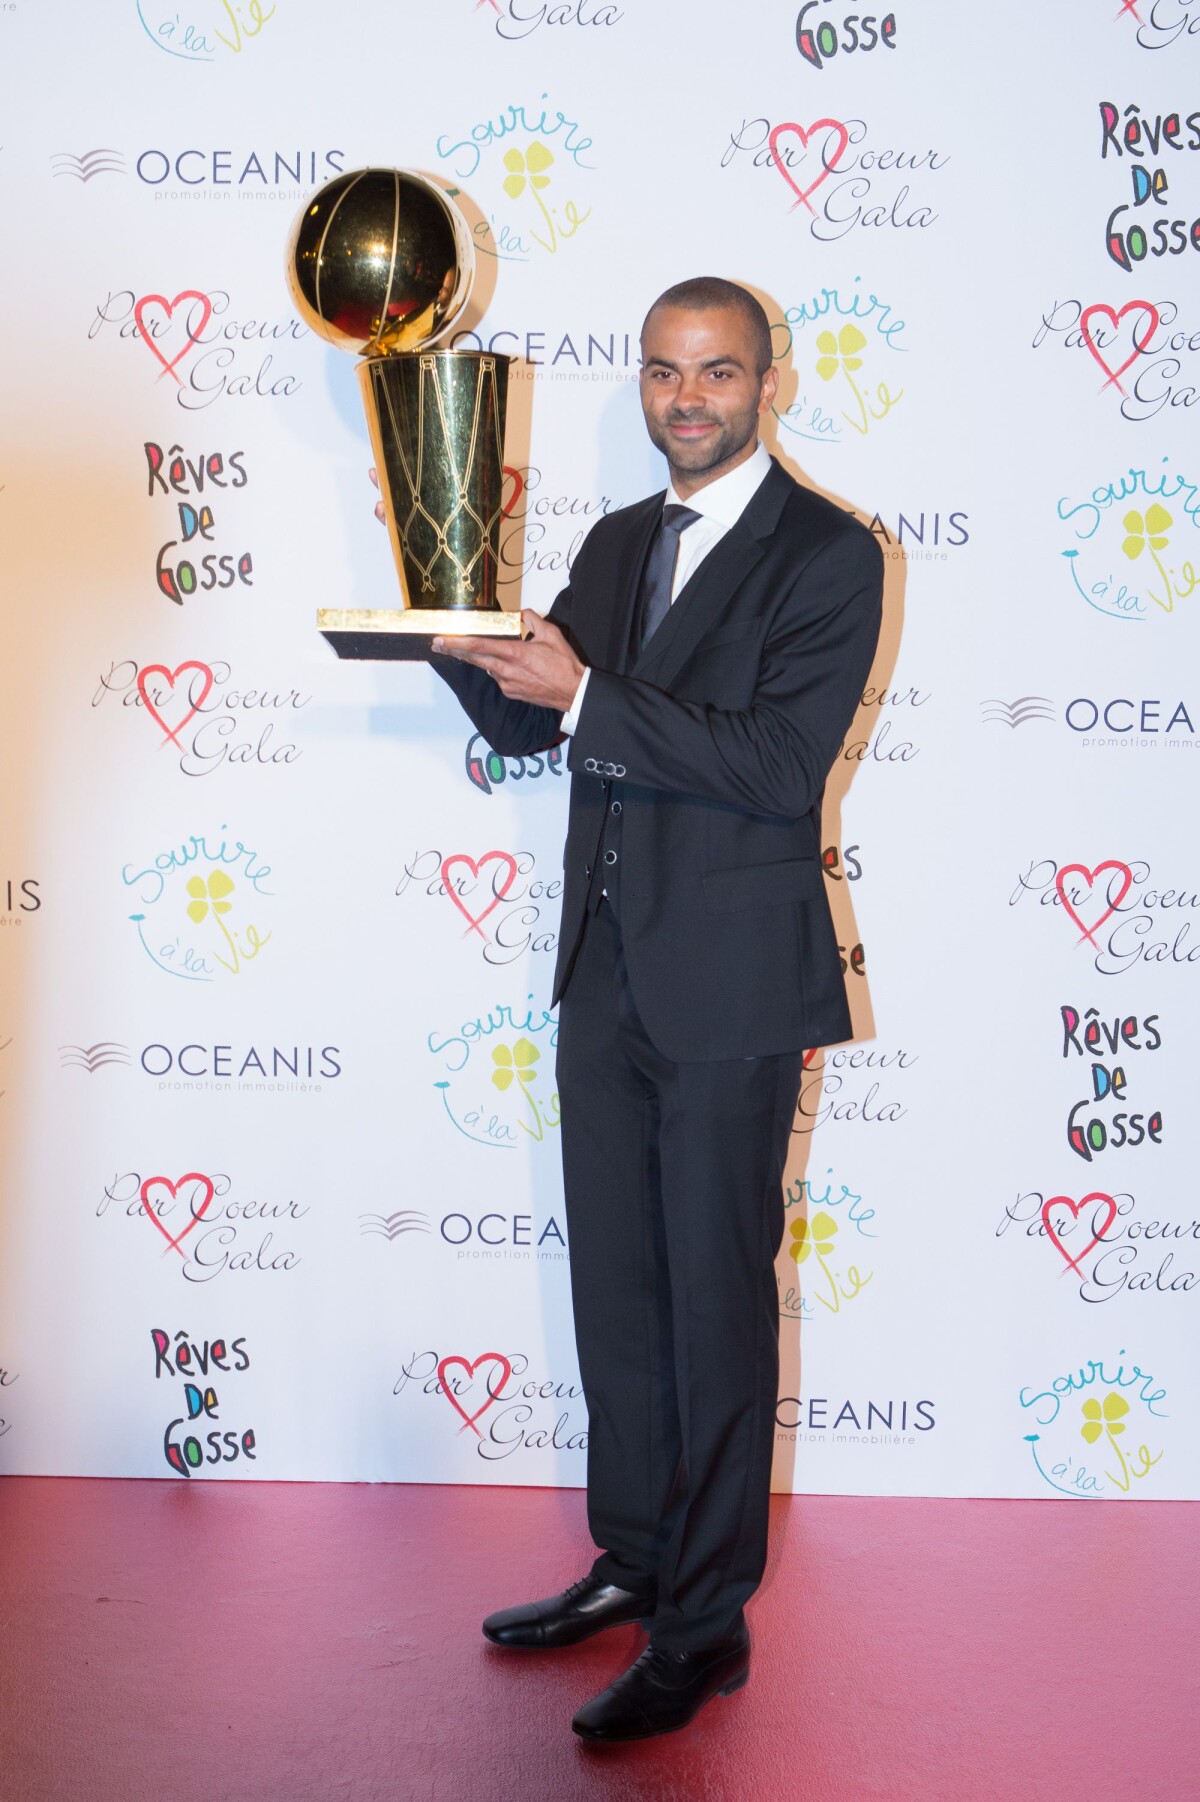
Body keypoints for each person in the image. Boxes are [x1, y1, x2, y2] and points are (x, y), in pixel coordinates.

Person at [413, 276, 883, 1742]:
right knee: (619, 1296)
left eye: (718, 371)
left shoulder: (832, 553)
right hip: (603, 974)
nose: (687, 397)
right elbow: (541, 713)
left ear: (768, 382)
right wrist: (455, 635)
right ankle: (631, 1560)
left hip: (735, 986)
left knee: (714, 1310)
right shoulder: (623, 541)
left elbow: (777, 763)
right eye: (665, 371)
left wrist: (583, 690)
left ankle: (705, 1629)